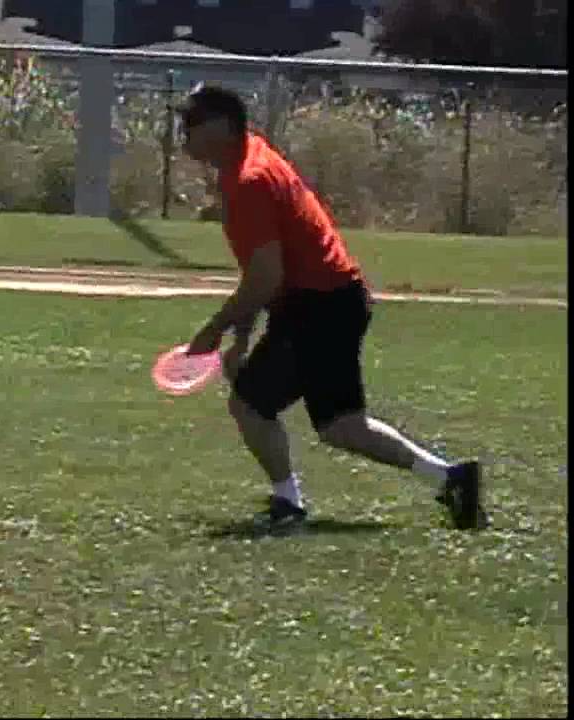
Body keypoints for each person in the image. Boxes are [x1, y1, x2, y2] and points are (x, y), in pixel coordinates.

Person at [180, 84, 488, 531]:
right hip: (330, 299)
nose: (182, 133)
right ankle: (452, 479)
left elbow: (266, 277)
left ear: (222, 128)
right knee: (342, 426)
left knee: (250, 404)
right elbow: (262, 272)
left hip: (319, 305)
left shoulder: (249, 180)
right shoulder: (245, 160)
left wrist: (214, 330)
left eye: (191, 123)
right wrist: (241, 337)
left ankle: (289, 504)